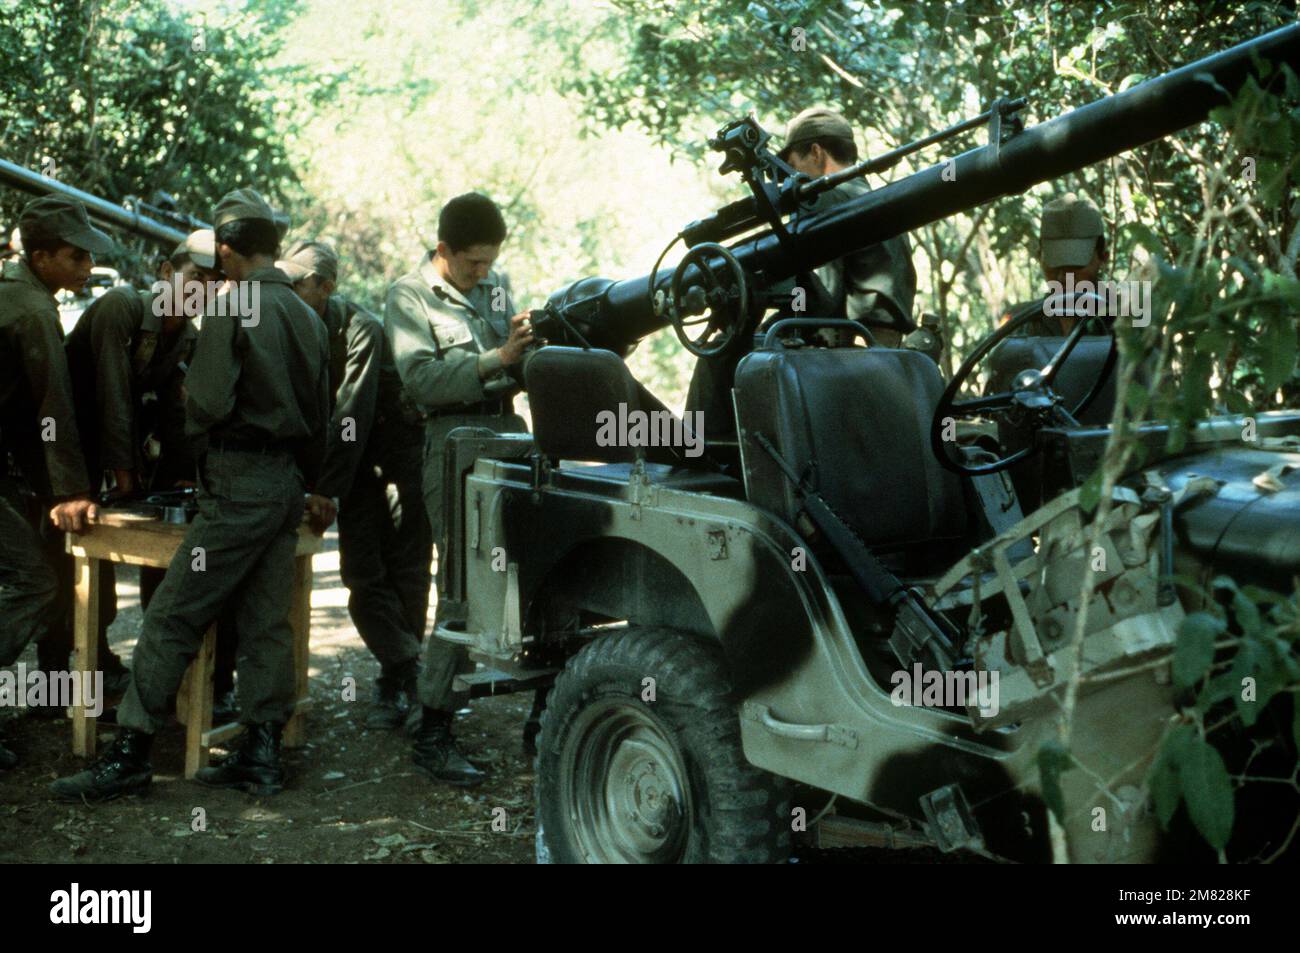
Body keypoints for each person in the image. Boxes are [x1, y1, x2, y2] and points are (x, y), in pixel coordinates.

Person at [50, 188, 333, 800]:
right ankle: (261, 752)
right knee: (266, 621)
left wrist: (193, 403)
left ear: (227, 250)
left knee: (172, 615)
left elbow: (205, 402)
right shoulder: (309, 315)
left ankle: (130, 751)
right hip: (285, 483)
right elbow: (322, 414)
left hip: (237, 483)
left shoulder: (233, 307)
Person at [33, 230, 224, 698]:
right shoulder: (123, 306)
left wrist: (184, 477)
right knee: (58, 568)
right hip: (58, 450)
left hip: (101, 456)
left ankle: (98, 665)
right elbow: (113, 392)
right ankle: (52, 682)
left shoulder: (188, 339)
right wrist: (125, 476)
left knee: (98, 570)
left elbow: (178, 415)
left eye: (216, 282)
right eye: (197, 277)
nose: (205, 290)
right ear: (166, 272)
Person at [385, 192, 534, 786]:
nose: (483, 272)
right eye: (473, 262)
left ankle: (546, 715)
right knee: (463, 588)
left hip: (508, 438)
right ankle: (433, 727)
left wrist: (528, 349)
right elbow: (421, 380)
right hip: (456, 447)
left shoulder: (493, 288)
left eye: (490, 261)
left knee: (529, 573)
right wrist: (497, 358)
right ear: (443, 249)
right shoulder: (409, 296)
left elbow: (514, 362)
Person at [686, 107, 918, 439]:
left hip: (846, 347)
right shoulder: (877, 199)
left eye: (793, 164)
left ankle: (700, 454)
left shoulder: (825, 199)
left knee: (721, 351)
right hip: (884, 349)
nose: (791, 176)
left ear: (816, 152)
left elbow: (823, 297)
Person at [279, 239, 432, 729]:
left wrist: (327, 489)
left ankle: (398, 679)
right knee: (362, 575)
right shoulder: (292, 324)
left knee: (407, 571)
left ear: (326, 287)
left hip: (398, 458)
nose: (288, 292)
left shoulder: (360, 327)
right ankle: (408, 668)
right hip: (355, 464)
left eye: (298, 284)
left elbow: (351, 414)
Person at [0, 196, 111, 770]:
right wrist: (70, 492)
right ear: (40, 257)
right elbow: (52, 408)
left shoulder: (17, 294)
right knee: (34, 583)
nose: (87, 267)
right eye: (75, 257)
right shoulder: (33, 312)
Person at [999, 193, 1109, 336]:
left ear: (1103, 258)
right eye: (1054, 265)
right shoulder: (1018, 322)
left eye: (1075, 266)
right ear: (1039, 257)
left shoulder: (1125, 317)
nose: (1063, 277)